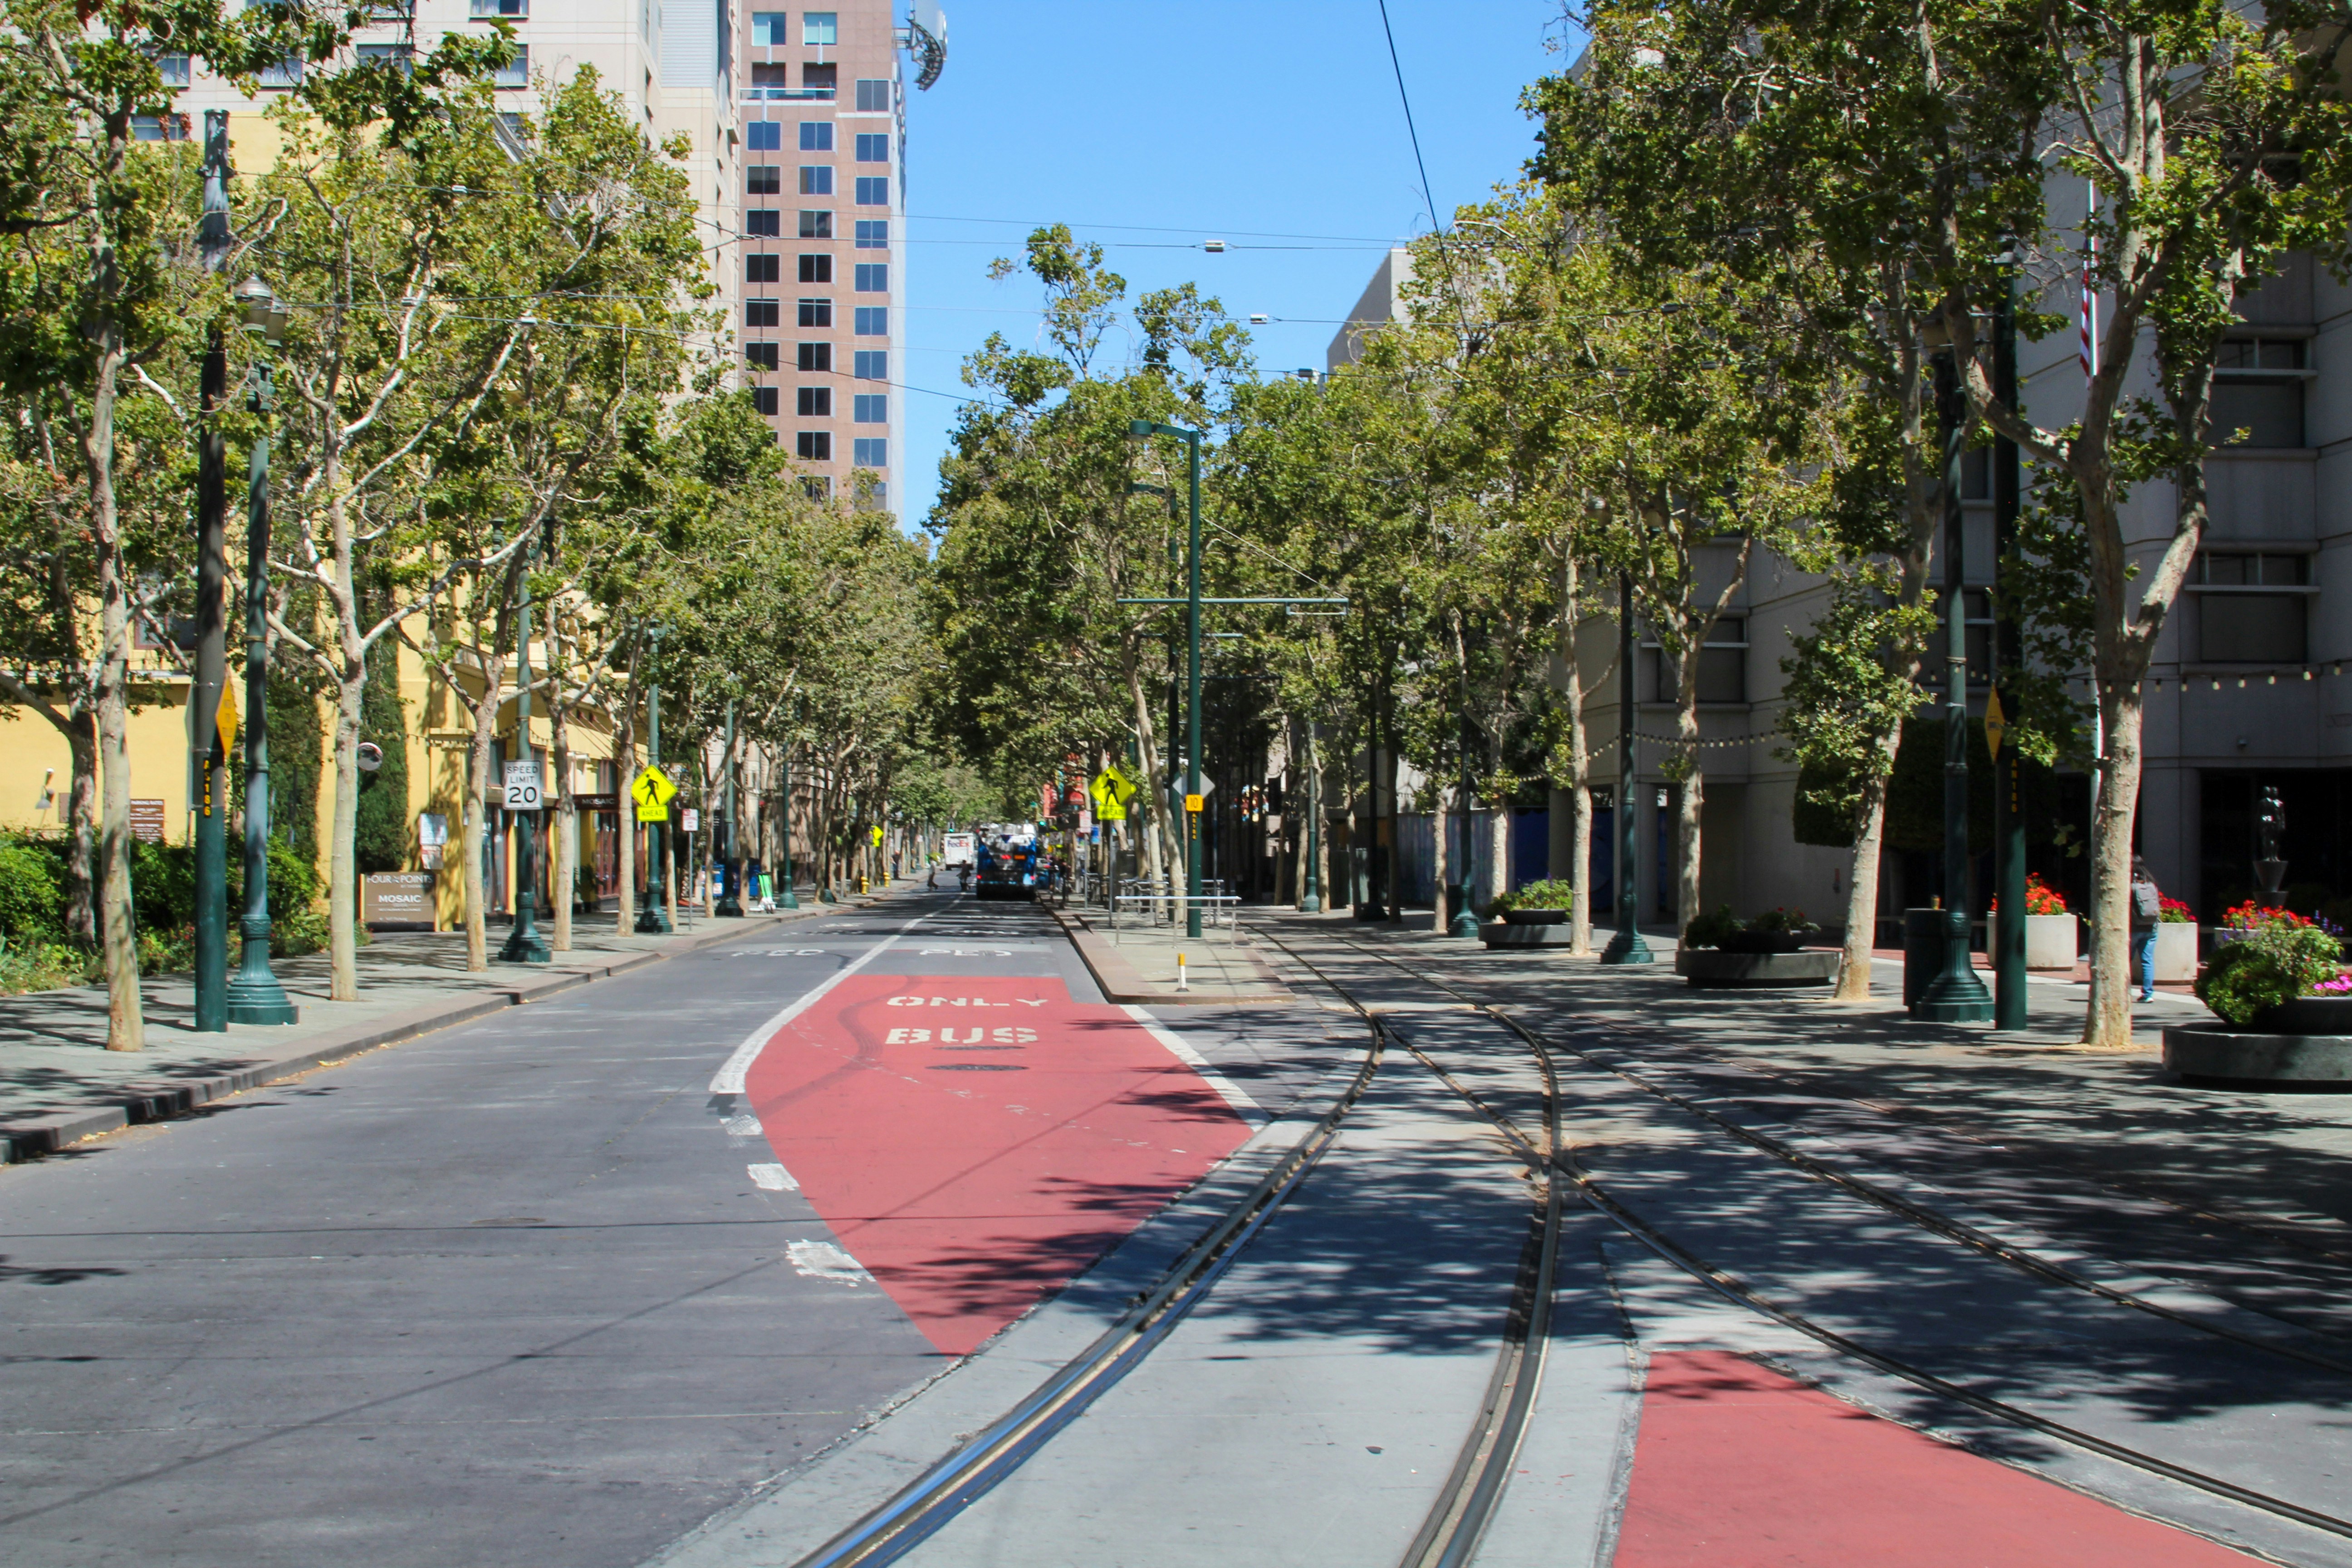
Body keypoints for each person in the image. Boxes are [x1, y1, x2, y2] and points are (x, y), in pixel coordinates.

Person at [2129, 855, 2162, 1003]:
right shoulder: (2151, 883)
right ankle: (2148, 994)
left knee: (2125, 961)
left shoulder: (2129, 884)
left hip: (2133, 929)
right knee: (2147, 961)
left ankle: (2123, 992)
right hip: (2151, 928)